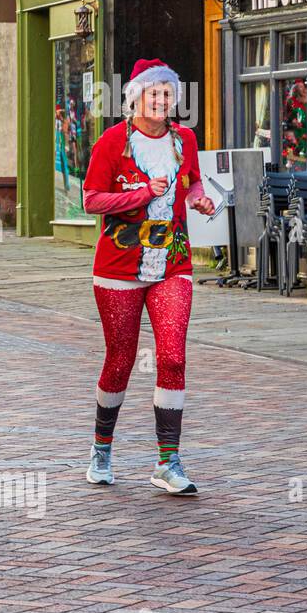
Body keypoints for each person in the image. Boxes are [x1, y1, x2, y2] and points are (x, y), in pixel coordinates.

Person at [82, 58, 214, 495]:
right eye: (152, 93)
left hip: (172, 263)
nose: (160, 101)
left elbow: (191, 182)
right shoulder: (111, 143)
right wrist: (140, 194)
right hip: (119, 266)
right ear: (135, 97)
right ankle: (102, 449)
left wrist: (199, 199)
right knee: (120, 360)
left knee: (172, 357)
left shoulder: (185, 139)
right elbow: (91, 200)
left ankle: (168, 462)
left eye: (167, 94)